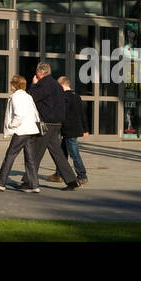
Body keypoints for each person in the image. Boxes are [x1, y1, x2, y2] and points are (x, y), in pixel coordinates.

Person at [29, 62, 80, 190]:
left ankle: (28, 181)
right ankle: (72, 181)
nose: (36, 75)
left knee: (35, 152)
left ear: (40, 73)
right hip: (56, 123)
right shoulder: (56, 85)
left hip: (47, 123)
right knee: (57, 153)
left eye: (37, 73)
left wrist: (33, 85)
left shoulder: (43, 84)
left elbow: (31, 97)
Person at [0, 74, 42, 192]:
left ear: (15, 85)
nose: (10, 85)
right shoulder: (27, 96)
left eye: (11, 83)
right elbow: (34, 113)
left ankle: (1, 182)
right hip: (31, 130)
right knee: (30, 158)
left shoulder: (16, 97)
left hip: (21, 130)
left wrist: (12, 125)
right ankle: (34, 185)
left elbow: (19, 114)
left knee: (10, 156)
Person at [58, 75, 89, 184]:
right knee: (62, 153)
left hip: (68, 130)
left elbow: (62, 114)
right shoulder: (77, 96)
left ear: (62, 85)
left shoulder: (64, 97)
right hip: (74, 129)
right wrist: (85, 128)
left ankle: (82, 175)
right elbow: (82, 114)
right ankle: (59, 174)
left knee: (74, 154)